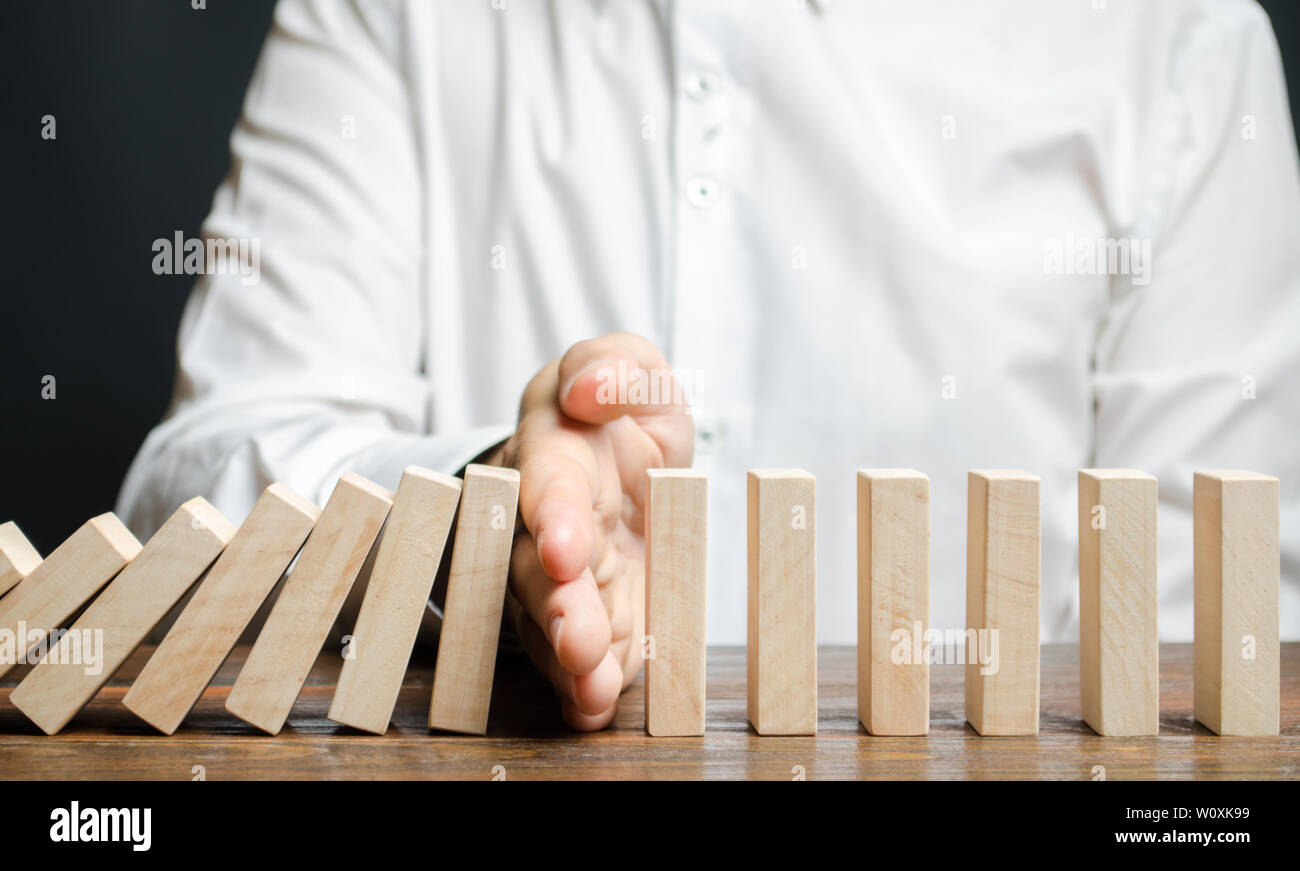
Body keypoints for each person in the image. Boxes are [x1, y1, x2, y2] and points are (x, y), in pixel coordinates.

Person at [118, 0, 1300, 730]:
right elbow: (192, 489)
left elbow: (1233, 669)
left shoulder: (1178, 45)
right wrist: (492, 506)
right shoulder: (395, 13)